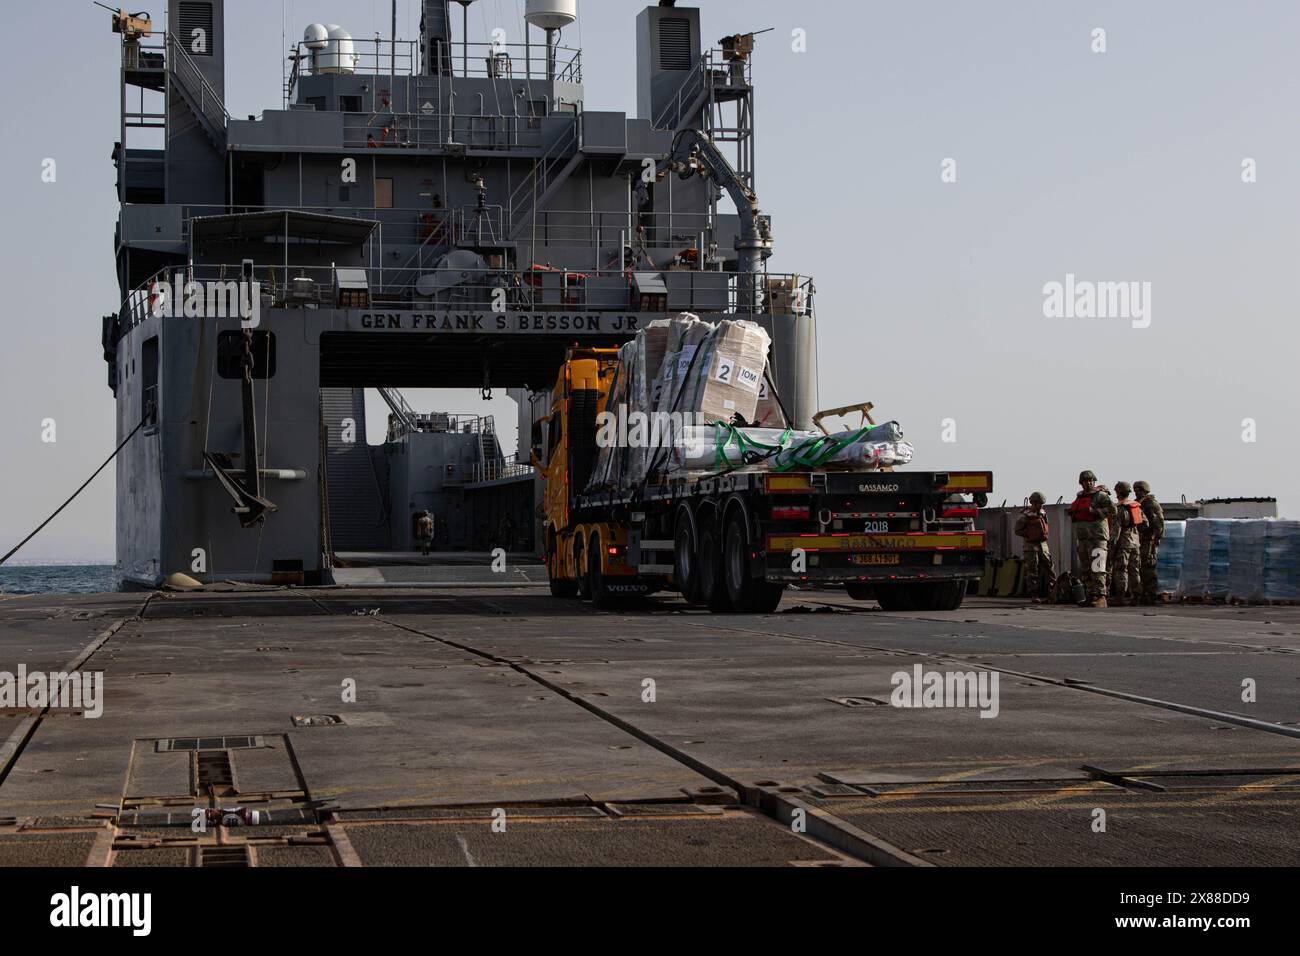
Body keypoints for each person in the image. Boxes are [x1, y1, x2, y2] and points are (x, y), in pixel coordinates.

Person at [1067, 470, 1116, 607]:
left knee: (1098, 566)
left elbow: (1113, 510)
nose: (1088, 483)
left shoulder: (1100, 496)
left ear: (1094, 481)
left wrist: (1095, 512)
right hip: (1083, 538)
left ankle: (1101, 596)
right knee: (1086, 567)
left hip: (1097, 537)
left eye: (1090, 480)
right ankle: (1090, 594)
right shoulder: (1080, 497)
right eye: (1085, 481)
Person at [1014, 492, 1053, 603]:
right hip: (1030, 546)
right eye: (1038, 504)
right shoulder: (1025, 516)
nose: (1040, 506)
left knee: (1049, 568)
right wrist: (1030, 533)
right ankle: (1034, 594)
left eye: (1041, 504)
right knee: (1032, 570)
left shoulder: (1042, 513)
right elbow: (1017, 530)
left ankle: (1052, 592)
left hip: (1043, 545)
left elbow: (1046, 525)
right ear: (1033, 503)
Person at [1109, 481, 1144, 605]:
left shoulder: (1119, 509)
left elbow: (1115, 531)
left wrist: (1111, 547)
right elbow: (1145, 524)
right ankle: (1136, 597)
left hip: (1123, 544)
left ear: (1118, 492)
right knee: (1134, 570)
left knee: (1121, 570)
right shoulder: (1136, 506)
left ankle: (1120, 597)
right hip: (1136, 542)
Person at [1134, 480, 1165, 604]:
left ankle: (1150, 596)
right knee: (1139, 568)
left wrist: (1156, 538)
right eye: (1135, 489)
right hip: (1139, 540)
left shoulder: (1151, 504)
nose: (1137, 492)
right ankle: (1143, 595)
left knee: (1148, 567)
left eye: (1139, 489)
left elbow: (1159, 522)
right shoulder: (1138, 504)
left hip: (1148, 540)